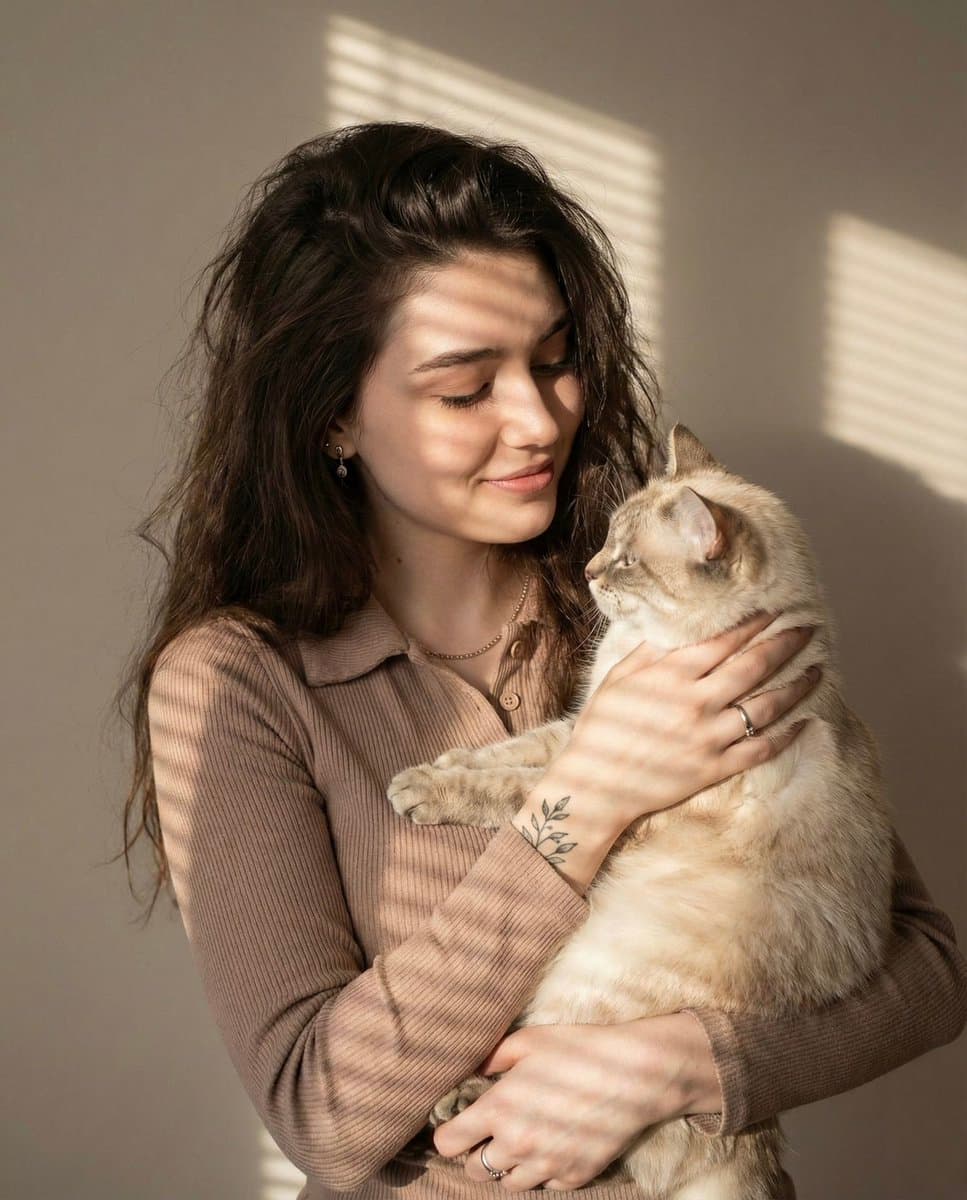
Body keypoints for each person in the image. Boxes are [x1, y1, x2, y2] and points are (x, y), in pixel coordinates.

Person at [118, 122, 967, 1200]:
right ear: (333, 415)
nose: (538, 420)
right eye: (465, 389)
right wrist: (588, 792)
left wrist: (682, 1067)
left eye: (556, 360)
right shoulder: (239, 682)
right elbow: (324, 1114)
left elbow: (927, 971)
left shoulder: (678, 614)